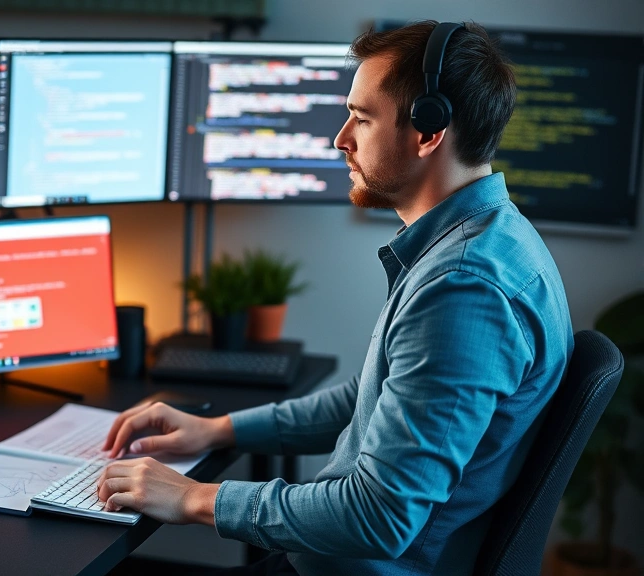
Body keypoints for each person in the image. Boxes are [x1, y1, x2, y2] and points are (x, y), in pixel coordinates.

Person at [98, 20, 573, 576]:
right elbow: (373, 397)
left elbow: (379, 517)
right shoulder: (489, 238)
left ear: (428, 131)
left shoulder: (464, 288)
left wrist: (193, 498)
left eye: (362, 118)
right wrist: (219, 429)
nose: (340, 138)